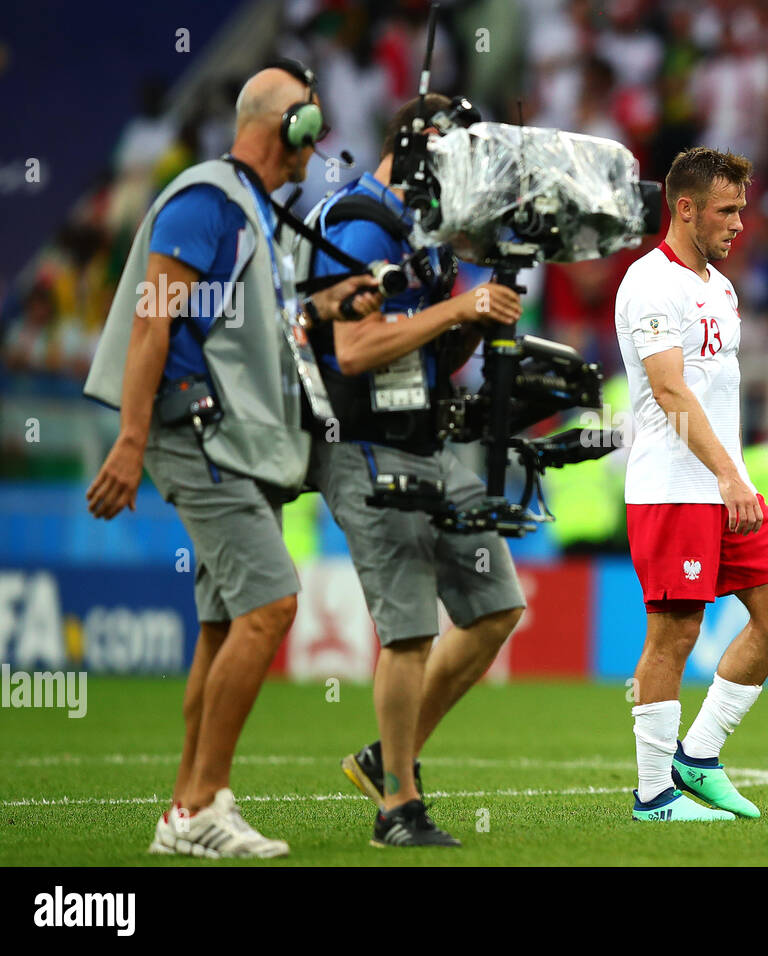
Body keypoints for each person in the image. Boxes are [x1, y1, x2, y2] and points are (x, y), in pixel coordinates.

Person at [83, 60, 381, 857]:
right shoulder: (205, 199)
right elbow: (152, 320)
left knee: (221, 626)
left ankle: (190, 805)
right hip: (198, 433)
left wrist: (330, 303)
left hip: (234, 442)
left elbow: (253, 323)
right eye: (310, 124)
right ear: (287, 126)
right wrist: (131, 441)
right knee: (271, 605)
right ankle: (198, 807)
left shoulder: (248, 210)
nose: (316, 142)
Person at [301, 94, 526, 847]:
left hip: (427, 439)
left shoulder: (428, 236)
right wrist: (460, 310)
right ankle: (397, 809)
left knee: (496, 607)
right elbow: (356, 349)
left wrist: (482, 316)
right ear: (422, 149)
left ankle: (384, 759)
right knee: (407, 630)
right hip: (363, 440)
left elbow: (433, 353)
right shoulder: (360, 222)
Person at [614, 147, 768, 823]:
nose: (739, 223)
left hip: (726, 485)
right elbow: (669, 390)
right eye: (727, 210)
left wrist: (732, 475)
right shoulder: (649, 283)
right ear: (686, 208)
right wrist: (727, 473)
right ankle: (652, 796)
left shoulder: (720, 287)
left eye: (742, 210)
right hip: (675, 485)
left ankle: (697, 755)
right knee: (674, 632)